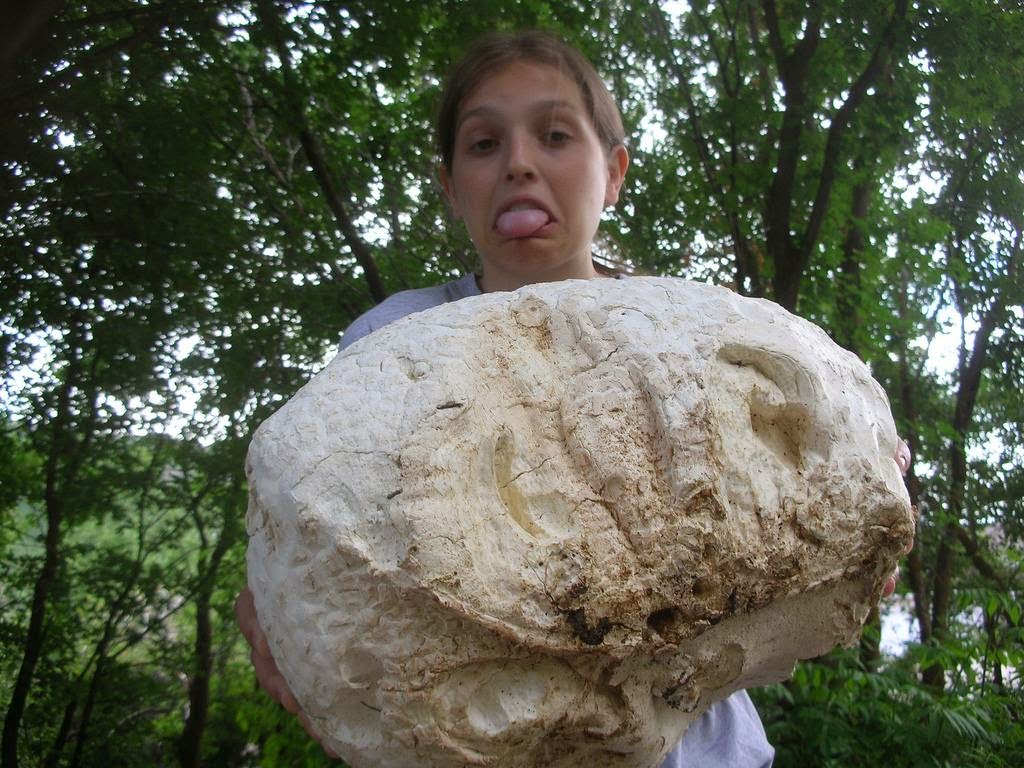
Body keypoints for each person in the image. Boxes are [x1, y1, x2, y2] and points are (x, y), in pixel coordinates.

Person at [236, 29, 908, 767]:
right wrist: (285, 610)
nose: (519, 163)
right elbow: (320, 519)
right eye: (484, 144)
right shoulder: (391, 340)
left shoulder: (696, 337)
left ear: (613, 171)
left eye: (554, 135)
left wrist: (866, 515)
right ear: (450, 185)